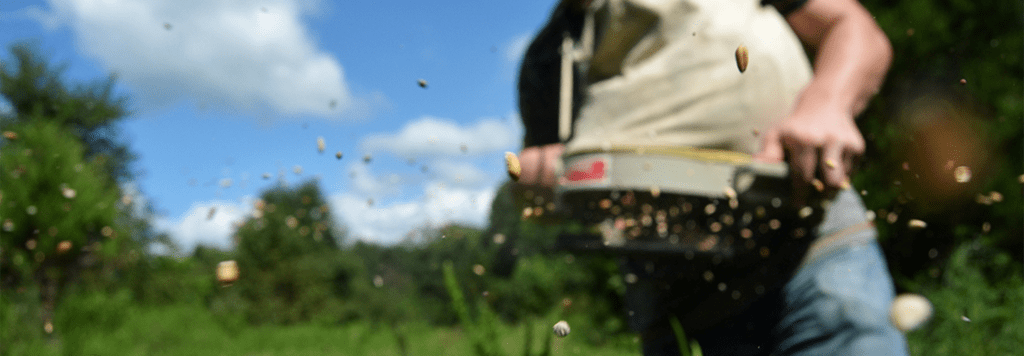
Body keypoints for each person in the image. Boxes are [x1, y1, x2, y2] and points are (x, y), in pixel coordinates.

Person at [513, 0, 906, 355]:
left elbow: (852, 26)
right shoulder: (549, 59)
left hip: (813, 257)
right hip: (675, 307)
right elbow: (553, 183)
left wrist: (828, 102)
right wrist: (539, 180)